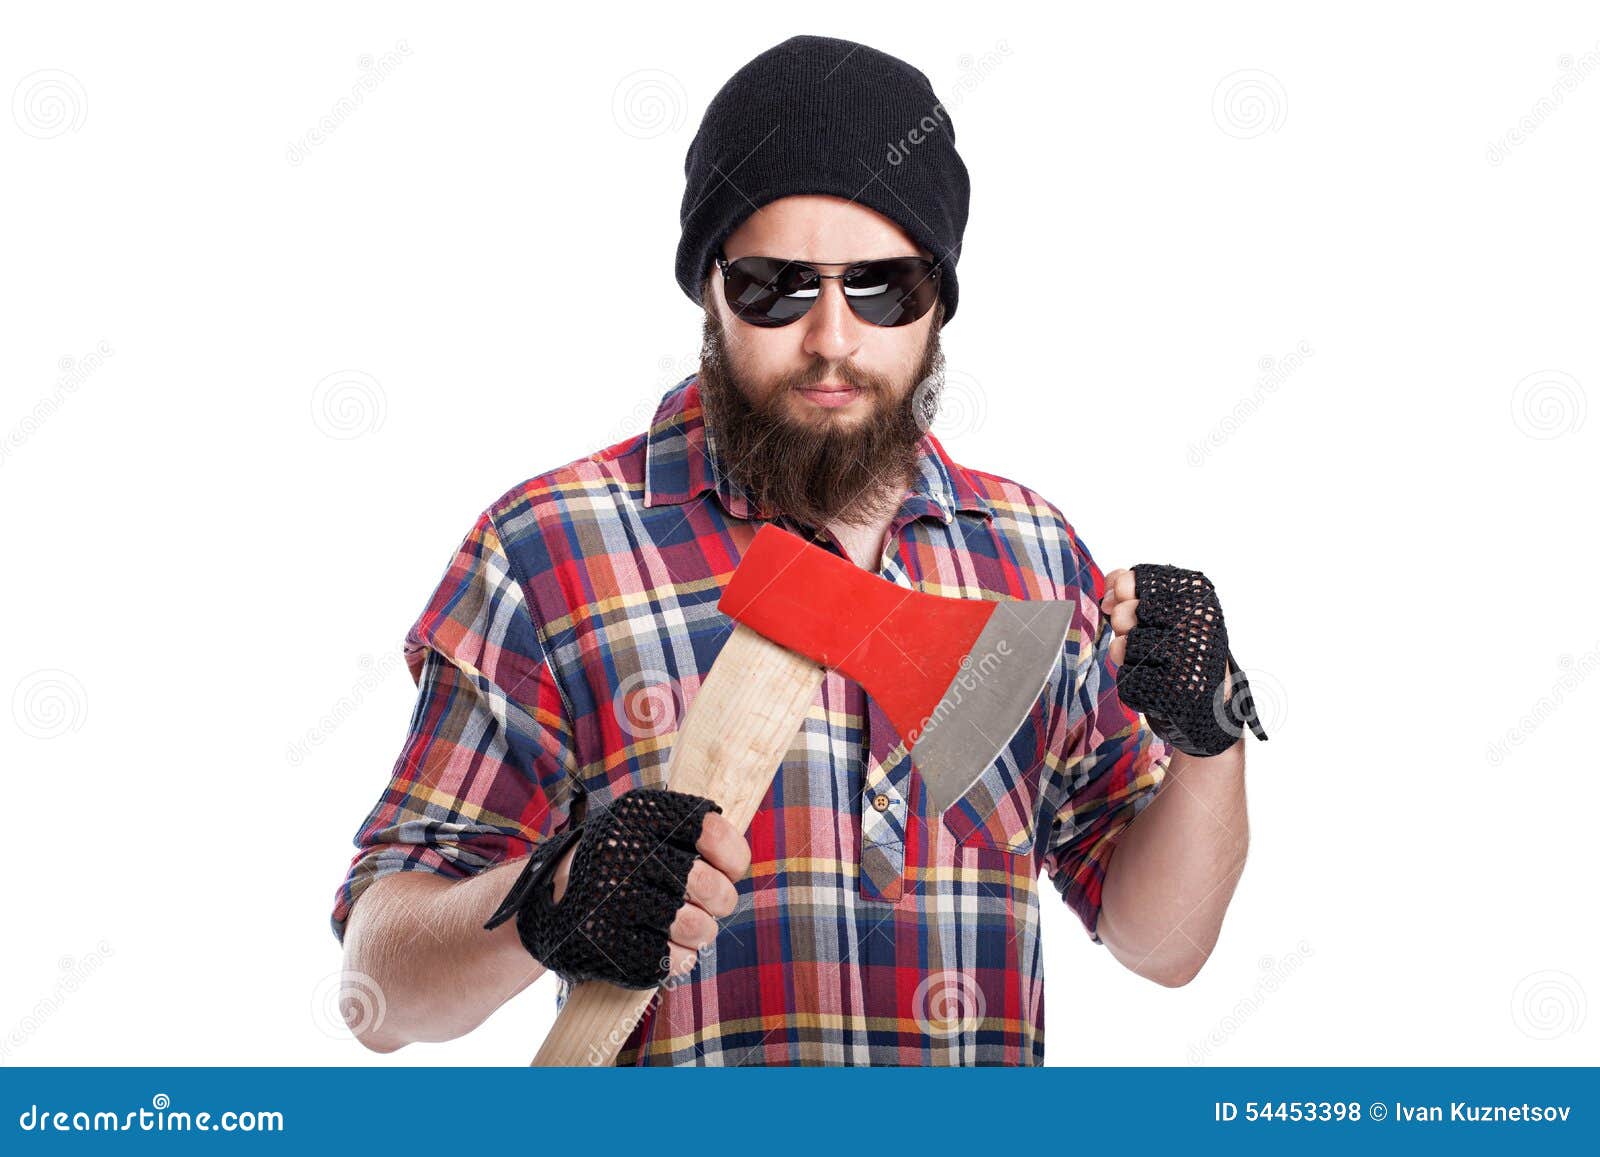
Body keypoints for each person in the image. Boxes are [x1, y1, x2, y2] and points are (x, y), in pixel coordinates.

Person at [329, 34, 1265, 1066]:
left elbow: (1163, 945)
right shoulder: (551, 548)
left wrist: (1205, 736)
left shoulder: (1036, 558)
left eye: (880, 288)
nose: (829, 336)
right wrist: (545, 904)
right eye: (777, 286)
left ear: (937, 299)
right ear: (710, 291)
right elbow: (380, 992)